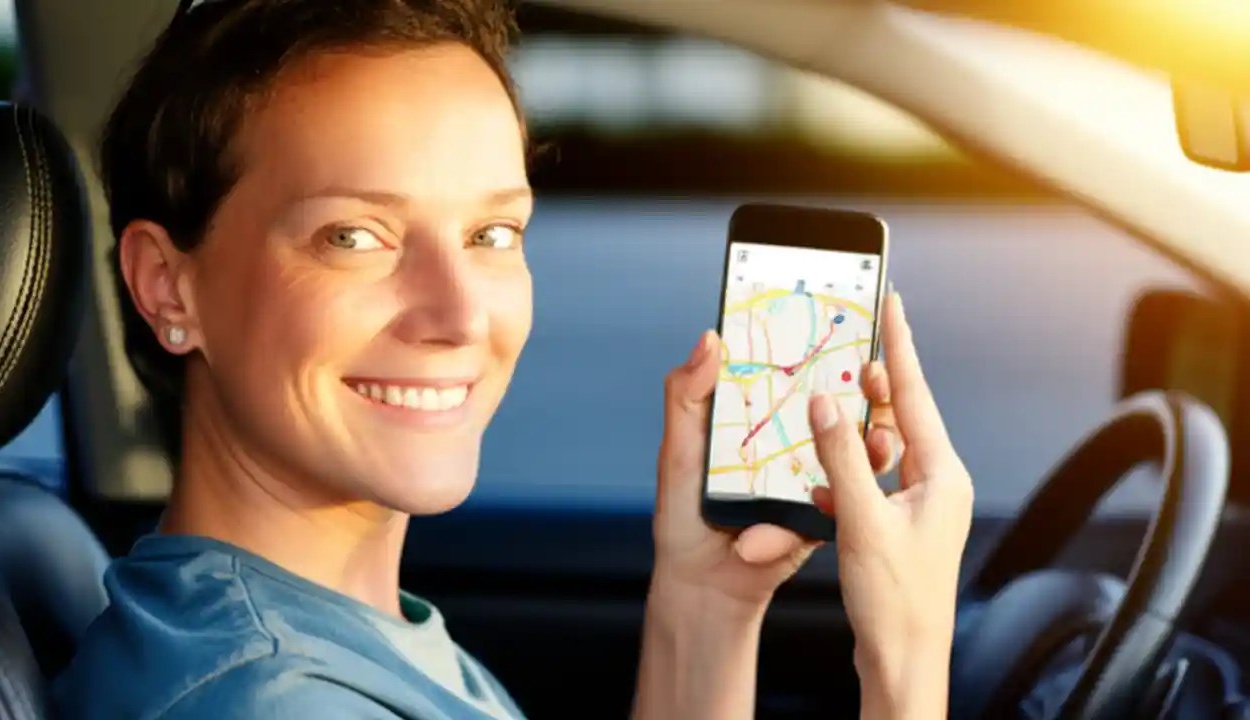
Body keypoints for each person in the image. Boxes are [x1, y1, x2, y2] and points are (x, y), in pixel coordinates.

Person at [53, 1, 974, 718]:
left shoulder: (314, 639)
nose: (459, 315)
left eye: (491, 233)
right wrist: (905, 668)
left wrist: (709, 604)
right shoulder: (268, 699)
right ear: (168, 287)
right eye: (354, 236)